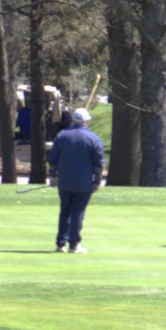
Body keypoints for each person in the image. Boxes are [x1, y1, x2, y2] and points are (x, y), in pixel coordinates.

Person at [47, 107, 104, 253]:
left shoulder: (61, 136)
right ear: (86, 121)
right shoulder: (93, 138)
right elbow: (99, 163)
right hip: (83, 183)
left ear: (74, 120)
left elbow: (52, 159)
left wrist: (52, 176)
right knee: (77, 213)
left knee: (65, 212)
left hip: (64, 182)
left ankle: (60, 244)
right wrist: (97, 181)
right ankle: (74, 245)